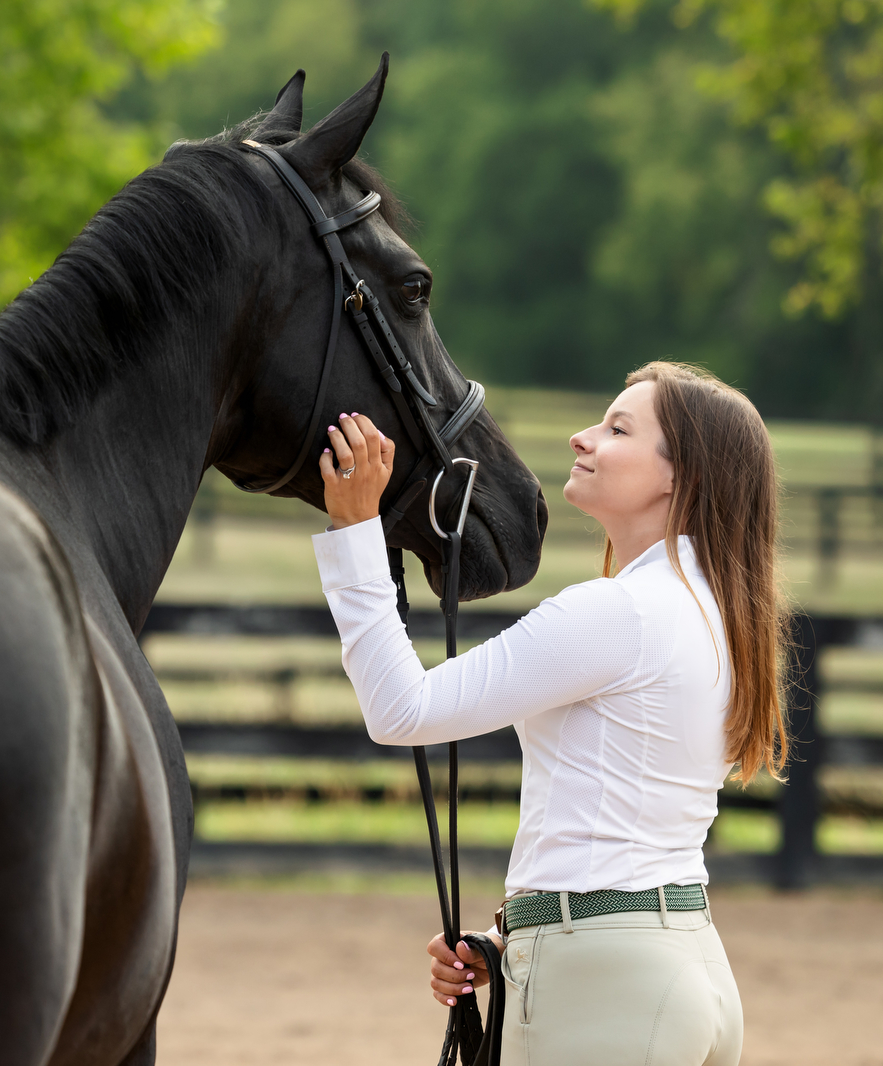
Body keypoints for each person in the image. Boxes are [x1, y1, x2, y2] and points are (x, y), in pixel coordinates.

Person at [312, 362, 787, 1065]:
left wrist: (355, 529)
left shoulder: (618, 611)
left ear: (678, 476)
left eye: (618, 429)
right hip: (687, 965)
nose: (582, 437)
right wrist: (515, 941)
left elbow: (401, 710)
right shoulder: (720, 615)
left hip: (606, 987)